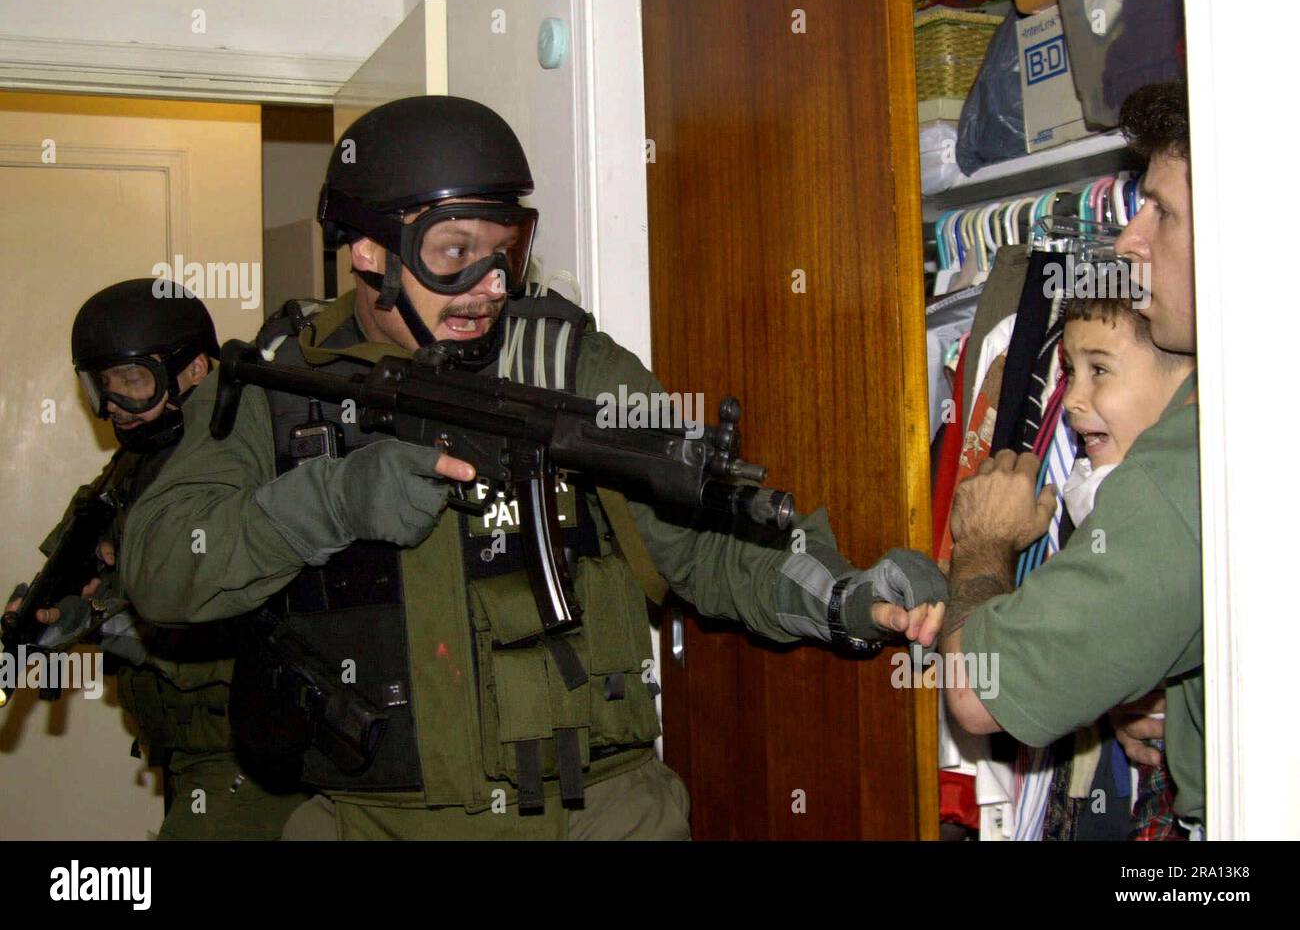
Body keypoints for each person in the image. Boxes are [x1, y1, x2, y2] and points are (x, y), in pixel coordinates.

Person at [120, 95, 948, 840]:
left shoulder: (569, 369)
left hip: (598, 814)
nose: (487, 284)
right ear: (370, 250)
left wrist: (840, 595)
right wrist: (326, 504)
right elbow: (160, 570)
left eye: (503, 251)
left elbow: (706, 544)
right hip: (376, 822)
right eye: (453, 252)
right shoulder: (277, 388)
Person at [940, 81, 1206, 834]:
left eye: (1164, 212)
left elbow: (977, 690)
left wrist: (984, 542)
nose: (1130, 240)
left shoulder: (1187, 465)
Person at [5, 279, 308, 840]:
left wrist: (123, 618)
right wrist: (68, 614)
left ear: (193, 370)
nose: (115, 405)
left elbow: (256, 603)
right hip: (187, 749)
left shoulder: (232, 456)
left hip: (247, 751)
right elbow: (93, 575)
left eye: (134, 382)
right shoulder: (133, 465)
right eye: (102, 387)